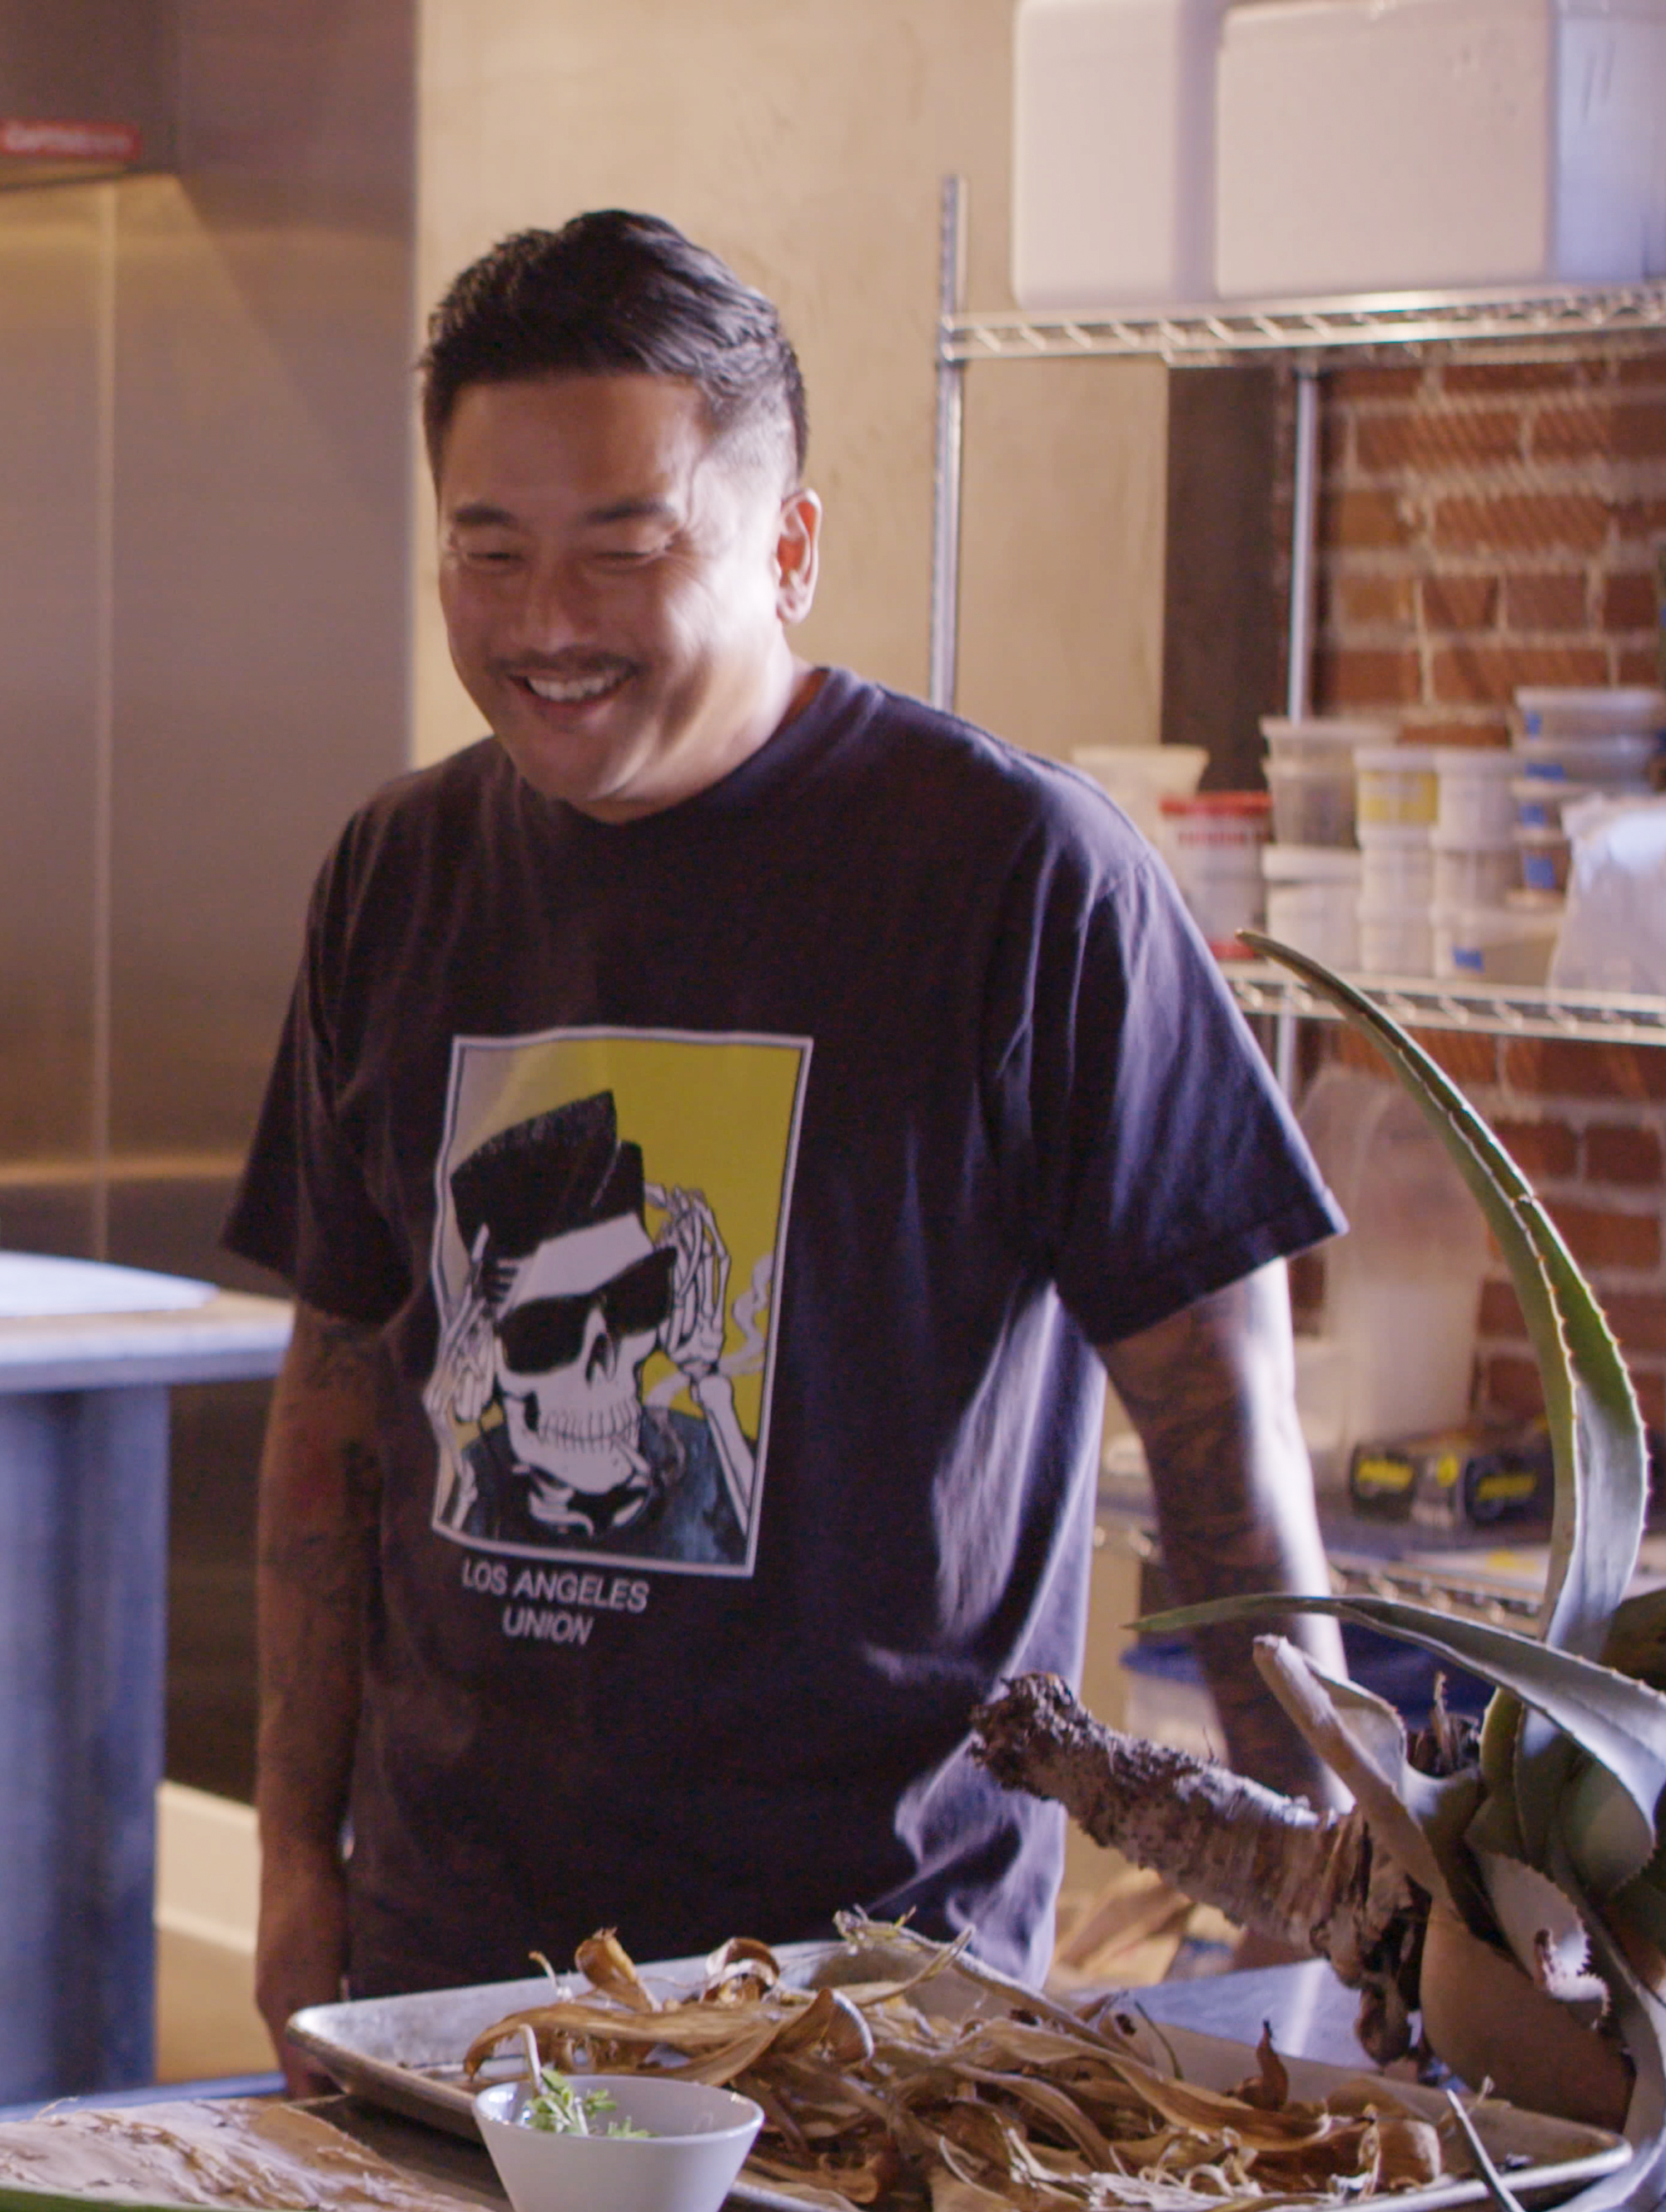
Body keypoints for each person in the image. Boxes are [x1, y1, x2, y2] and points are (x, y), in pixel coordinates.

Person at [226, 211, 1347, 2066]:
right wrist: (293, 1855)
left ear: (792, 546)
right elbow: (338, 1396)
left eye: (625, 547)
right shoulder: (399, 873)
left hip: (867, 1973)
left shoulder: (1015, 876)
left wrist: (1332, 1908)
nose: (543, 622)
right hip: (453, 1958)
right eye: (486, 552)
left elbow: (1226, 1425)